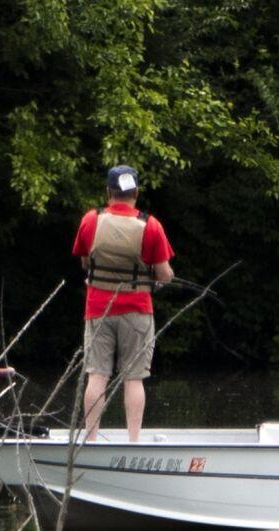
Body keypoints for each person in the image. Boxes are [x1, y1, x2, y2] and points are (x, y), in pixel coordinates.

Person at [72, 164, 175, 443]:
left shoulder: (90, 220)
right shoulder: (150, 225)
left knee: (97, 375)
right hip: (138, 309)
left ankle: (90, 440)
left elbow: (85, 261)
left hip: (97, 308)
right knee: (133, 378)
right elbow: (164, 274)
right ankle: (133, 440)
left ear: (109, 192)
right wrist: (159, 278)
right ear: (136, 193)